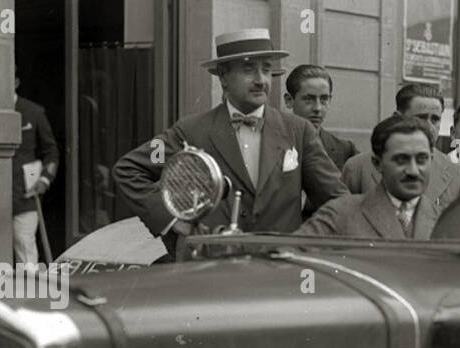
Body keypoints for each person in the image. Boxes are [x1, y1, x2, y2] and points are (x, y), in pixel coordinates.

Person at [113, 29, 346, 256]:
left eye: (266, 70)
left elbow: (337, 200)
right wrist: (173, 220)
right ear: (223, 76)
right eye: (248, 70)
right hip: (211, 271)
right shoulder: (190, 131)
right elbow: (129, 169)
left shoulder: (298, 130)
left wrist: (303, 242)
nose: (260, 80)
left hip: (278, 275)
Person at [298, 115, 438, 239]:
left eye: (421, 159)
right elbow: (289, 254)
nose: (413, 171)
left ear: (431, 159)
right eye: (401, 159)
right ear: (377, 163)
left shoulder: (448, 221)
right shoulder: (340, 215)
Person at [340, 83, 460, 211]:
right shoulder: (358, 168)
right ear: (397, 118)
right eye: (420, 118)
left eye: (435, 119)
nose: (429, 126)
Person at [12, 71, 59, 264]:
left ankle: (30, 293)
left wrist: (44, 179)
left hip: (26, 195)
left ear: (16, 82)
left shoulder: (33, 111)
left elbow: (51, 151)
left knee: (24, 246)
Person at [283, 64, 358, 169]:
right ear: (289, 100)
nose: (317, 108)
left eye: (324, 99)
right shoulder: (273, 143)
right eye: (309, 99)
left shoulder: (345, 150)